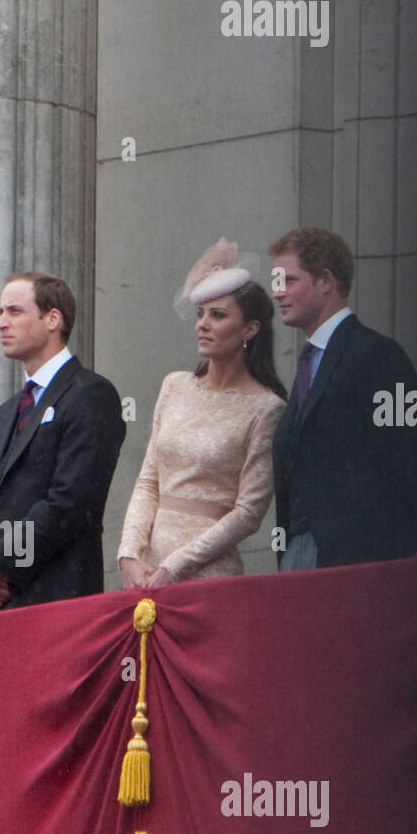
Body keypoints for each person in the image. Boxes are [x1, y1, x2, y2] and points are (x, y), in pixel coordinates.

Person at [118, 240, 287, 588]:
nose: (203, 324)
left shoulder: (266, 407)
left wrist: (177, 564)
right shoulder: (175, 386)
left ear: (250, 329)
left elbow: (249, 512)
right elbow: (149, 480)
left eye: (218, 315)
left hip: (209, 574)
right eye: (200, 314)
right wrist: (129, 554)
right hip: (147, 571)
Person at [0, 272, 126, 610]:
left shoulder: (91, 394)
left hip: (56, 598)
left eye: (14, 312)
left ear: (53, 319)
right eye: (0, 312)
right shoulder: (6, 412)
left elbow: (71, 502)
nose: (1, 323)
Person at [269, 227, 417, 569]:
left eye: (289, 280)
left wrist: (397, 562)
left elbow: (407, 461)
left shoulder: (376, 354)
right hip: (298, 553)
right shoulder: (308, 363)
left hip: (361, 560)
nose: (277, 292)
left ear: (325, 281)